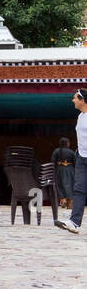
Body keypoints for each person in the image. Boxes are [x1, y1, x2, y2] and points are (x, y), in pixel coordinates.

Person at [57, 90, 87, 233]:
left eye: (75, 98)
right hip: (82, 158)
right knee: (79, 190)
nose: (72, 100)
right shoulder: (80, 117)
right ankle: (74, 222)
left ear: (83, 100)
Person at [54, 137, 77, 210]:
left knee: (60, 185)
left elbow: (52, 162)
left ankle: (63, 199)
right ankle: (70, 202)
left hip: (59, 170)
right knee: (70, 185)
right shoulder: (71, 152)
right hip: (70, 170)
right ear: (67, 143)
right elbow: (75, 163)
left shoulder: (56, 151)